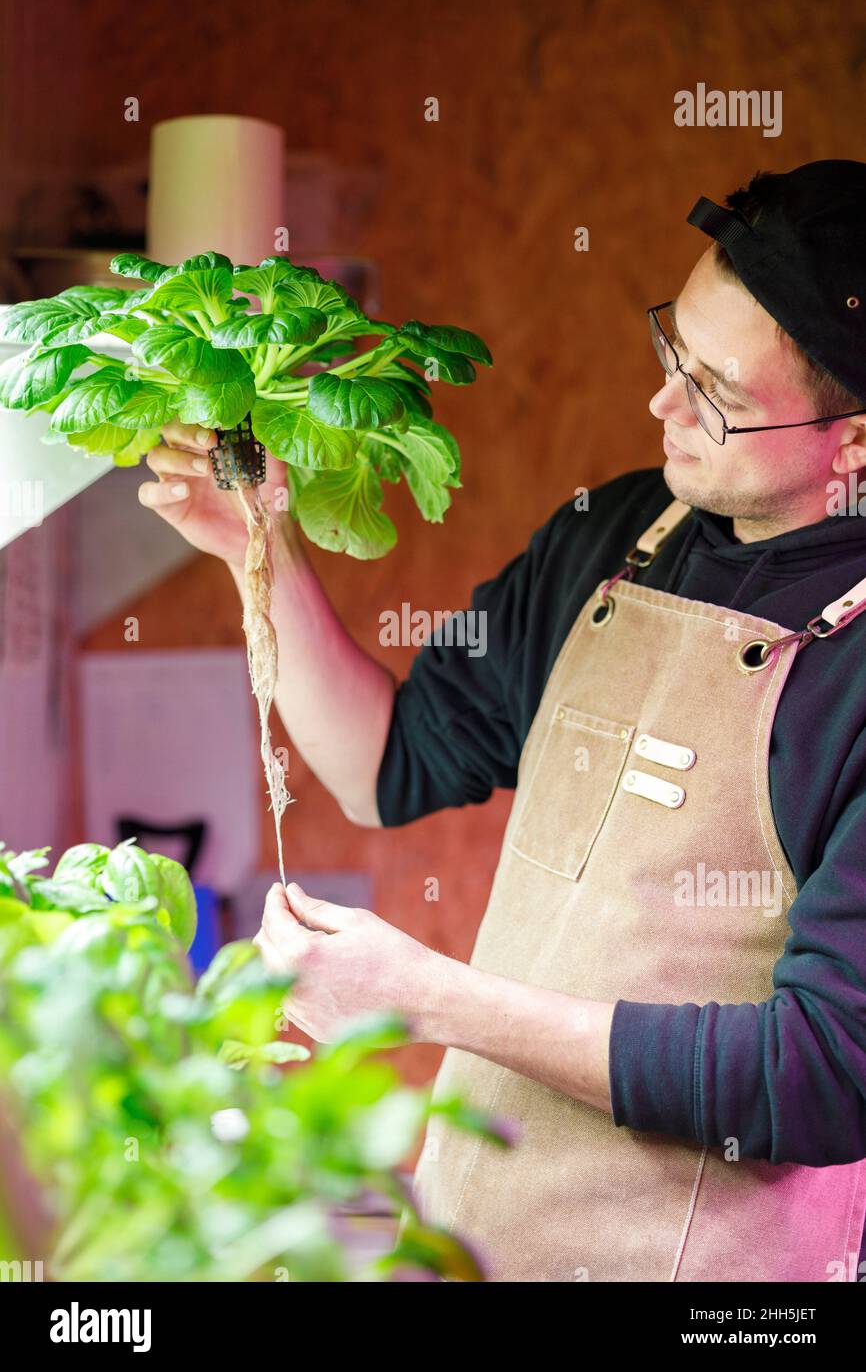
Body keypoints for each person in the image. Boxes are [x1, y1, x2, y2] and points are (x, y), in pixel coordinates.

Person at [140, 159, 866, 1282]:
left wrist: (432, 1000)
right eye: (671, 343)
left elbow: (827, 1073)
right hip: (477, 1245)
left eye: (713, 391)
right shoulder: (617, 535)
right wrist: (255, 551)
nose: (659, 402)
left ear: (852, 443)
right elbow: (384, 765)